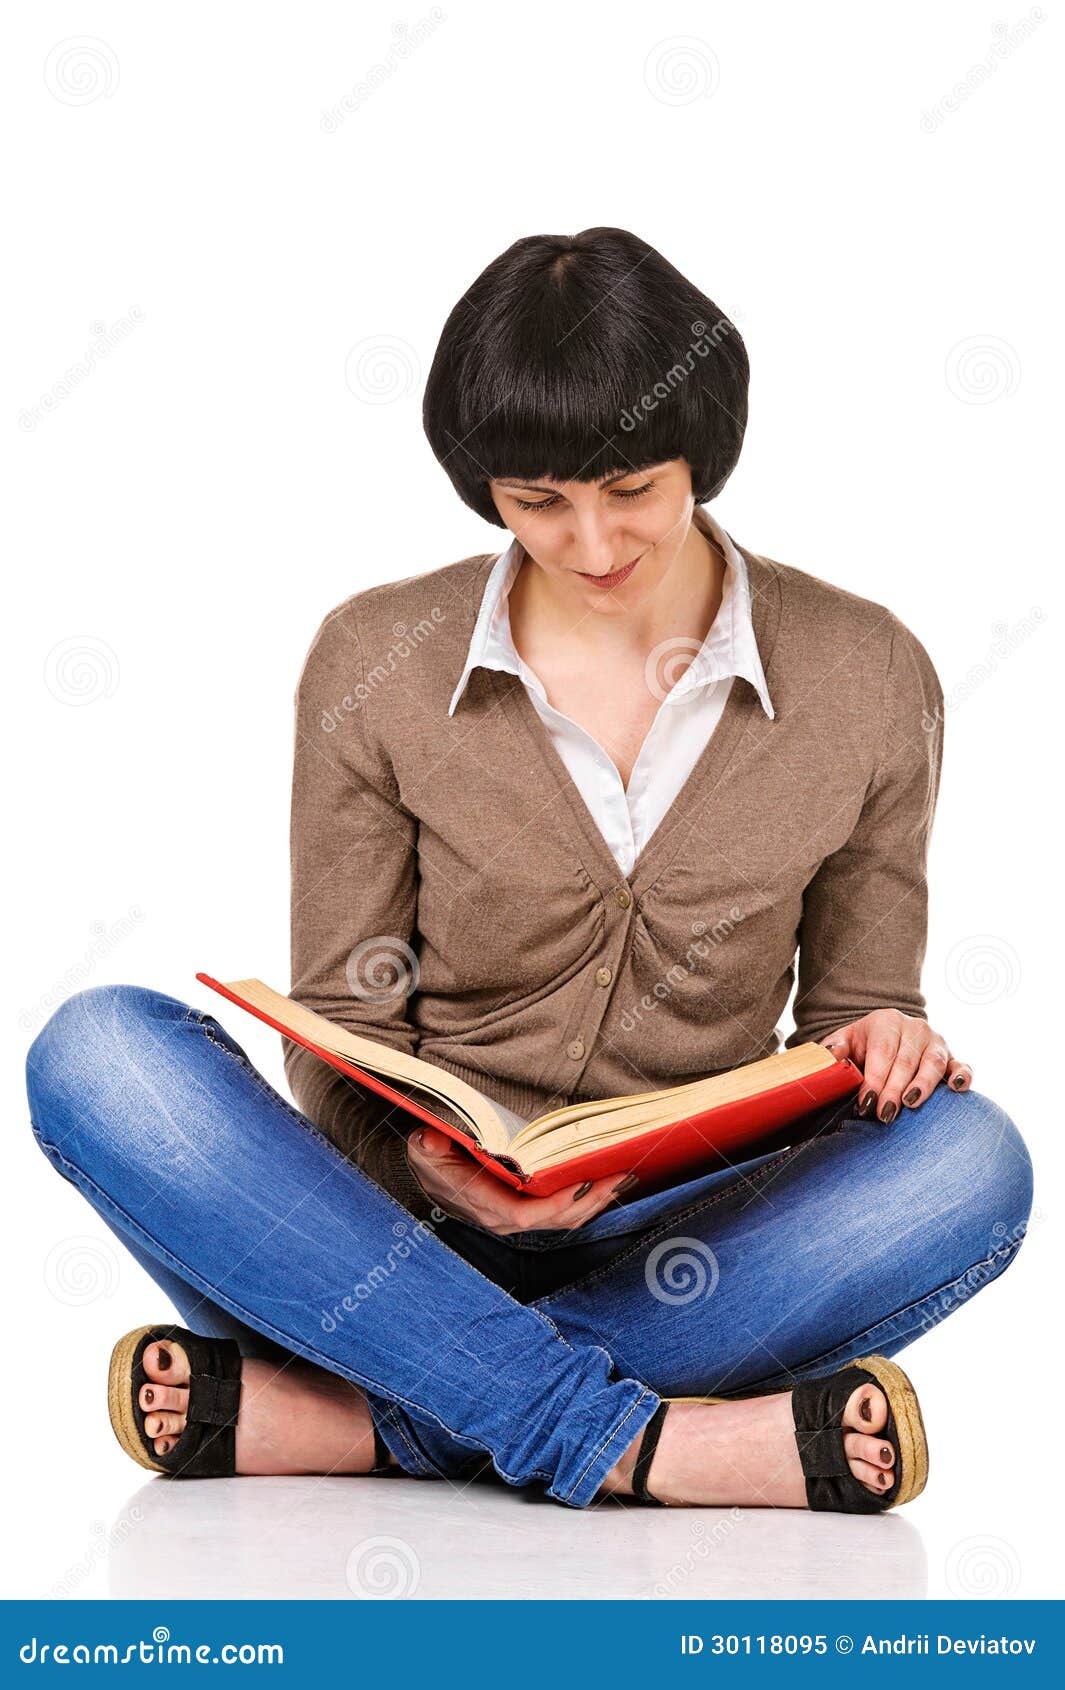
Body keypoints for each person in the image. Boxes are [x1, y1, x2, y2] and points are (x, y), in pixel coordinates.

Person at [25, 228, 1032, 1512]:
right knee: (99, 1050)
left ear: (703, 456)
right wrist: (417, 1168)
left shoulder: (869, 673)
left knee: (974, 1159)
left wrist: (892, 1046)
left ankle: (377, 1420)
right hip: (387, 1240)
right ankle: (638, 1441)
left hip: (697, 1249)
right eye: (538, 500)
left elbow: (850, 1021)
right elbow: (342, 1033)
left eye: (632, 490)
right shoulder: (377, 658)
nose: (593, 542)